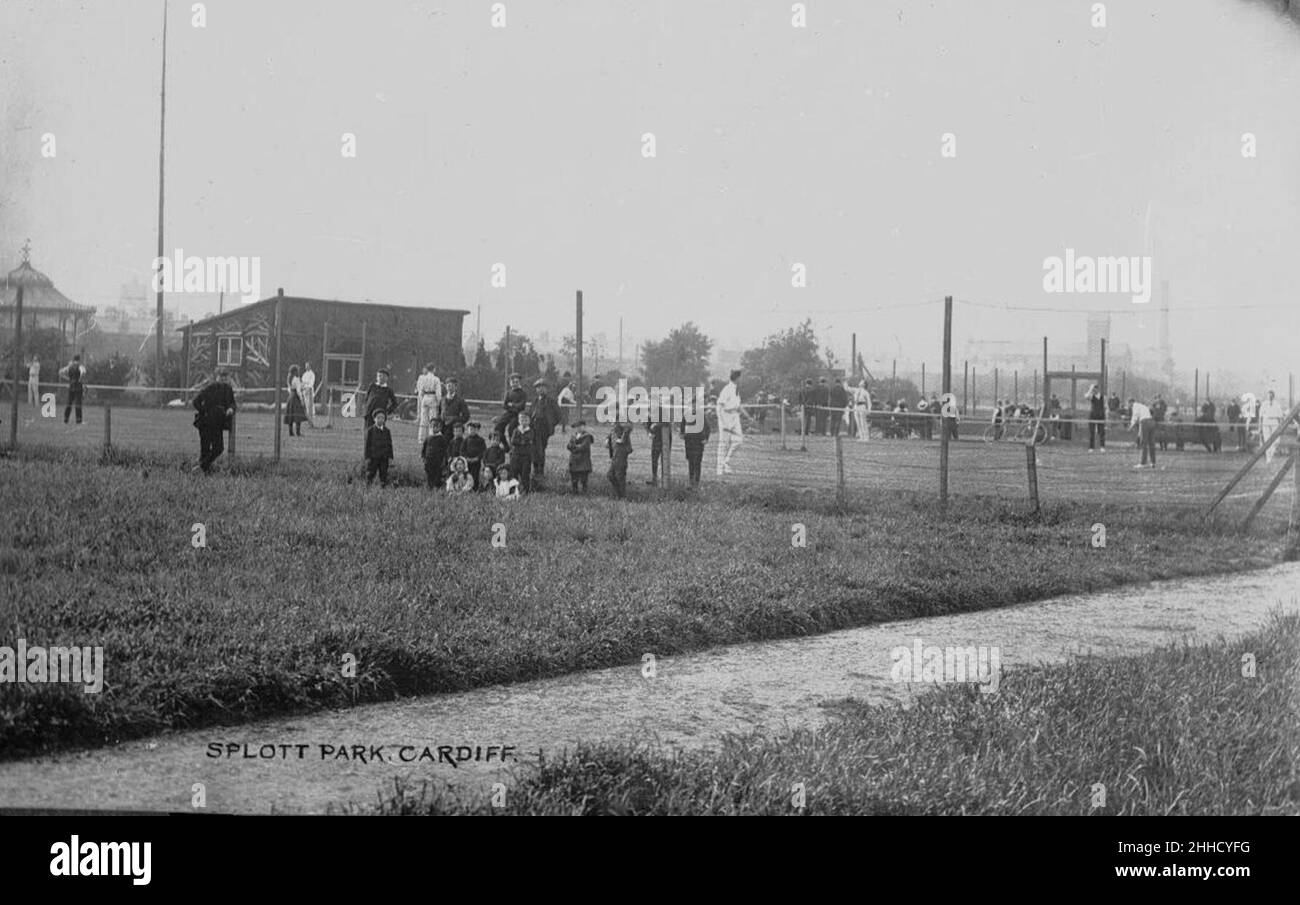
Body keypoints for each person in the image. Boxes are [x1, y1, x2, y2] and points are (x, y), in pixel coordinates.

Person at [192, 369, 236, 474]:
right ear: (217, 377)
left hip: (218, 423)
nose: (224, 379)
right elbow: (196, 401)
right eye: (221, 376)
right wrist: (205, 412)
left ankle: (201, 468)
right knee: (205, 449)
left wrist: (231, 409)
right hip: (206, 423)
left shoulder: (228, 389)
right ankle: (202, 472)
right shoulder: (210, 388)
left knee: (218, 448)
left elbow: (232, 403)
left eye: (226, 377)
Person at [528, 380, 561, 484]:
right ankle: (535, 470)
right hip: (534, 428)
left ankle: (540, 472)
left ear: (546, 389)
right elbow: (530, 413)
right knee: (534, 450)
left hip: (543, 429)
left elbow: (558, 415)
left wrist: (550, 425)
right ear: (536, 389)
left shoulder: (551, 401)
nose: (540, 389)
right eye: (538, 387)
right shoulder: (535, 401)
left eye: (543, 387)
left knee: (541, 450)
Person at [716, 369, 747, 475]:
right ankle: (720, 469)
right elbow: (720, 406)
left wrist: (748, 416)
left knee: (739, 440)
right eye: (741, 377)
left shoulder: (736, 390)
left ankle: (726, 461)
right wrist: (723, 421)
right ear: (737, 378)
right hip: (726, 417)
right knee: (723, 444)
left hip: (735, 417)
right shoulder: (727, 389)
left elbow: (738, 405)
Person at [495, 373, 529, 451]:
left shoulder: (523, 393)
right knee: (498, 427)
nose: (515, 384)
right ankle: (506, 446)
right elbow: (504, 405)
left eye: (516, 382)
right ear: (510, 383)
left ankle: (513, 446)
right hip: (509, 413)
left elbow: (521, 405)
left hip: (518, 415)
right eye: (513, 382)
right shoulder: (508, 392)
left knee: (511, 428)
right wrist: (513, 407)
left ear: (519, 382)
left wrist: (512, 404)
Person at [681, 404, 711, 488]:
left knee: (697, 462)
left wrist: (706, 438)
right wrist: (682, 433)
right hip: (689, 442)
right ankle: (691, 482)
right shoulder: (686, 414)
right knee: (690, 462)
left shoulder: (701, 416)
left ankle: (696, 483)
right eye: (692, 405)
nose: (693, 407)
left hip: (698, 442)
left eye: (695, 405)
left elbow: (707, 428)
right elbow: (682, 425)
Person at [414, 362, 443, 447]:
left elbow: (420, 391)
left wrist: (422, 399)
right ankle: (432, 436)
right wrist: (439, 401)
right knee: (433, 419)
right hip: (433, 397)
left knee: (423, 419)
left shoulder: (423, 378)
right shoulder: (436, 379)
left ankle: (421, 438)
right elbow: (438, 392)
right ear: (434, 369)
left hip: (425, 398)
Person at [364, 409, 394, 486]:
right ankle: (367, 488)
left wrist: (390, 457)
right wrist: (367, 457)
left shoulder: (387, 431)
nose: (380, 420)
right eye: (378, 418)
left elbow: (390, 444)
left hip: (384, 457)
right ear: (374, 419)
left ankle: (383, 488)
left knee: (384, 474)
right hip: (373, 457)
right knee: (370, 474)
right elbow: (367, 445)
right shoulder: (370, 431)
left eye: (382, 418)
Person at [508, 411, 535, 493]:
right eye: (522, 420)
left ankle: (526, 491)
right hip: (515, 455)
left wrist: (520, 441)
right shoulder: (516, 430)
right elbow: (513, 441)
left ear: (529, 421)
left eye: (526, 420)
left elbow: (528, 440)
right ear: (519, 421)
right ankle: (514, 490)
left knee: (525, 474)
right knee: (514, 473)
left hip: (526, 456)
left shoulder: (530, 431)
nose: (524, 422)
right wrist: (522, 442)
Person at [567, 420, 594, 492]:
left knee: (584, 479)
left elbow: (584, 447)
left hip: (583, 460)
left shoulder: (587, 436)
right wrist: (575, 446)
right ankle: (574, 492)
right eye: (576, 427)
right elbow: (569, 446)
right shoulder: (574, 435)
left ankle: (584, 492)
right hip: (574, 460)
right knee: (574, 478)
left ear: (583, 427)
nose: (578, 428)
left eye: (579, 426)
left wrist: (574, 447)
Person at [1128, 398, 1156, 468]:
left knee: (1144, 443)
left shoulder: (1135, 406)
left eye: (1128, 404)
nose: (1128, 405)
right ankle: (1153, 462)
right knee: (1151, 443)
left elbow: (1135, 416)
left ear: (1131, 402)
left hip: (1145, 422)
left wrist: (1131, 426)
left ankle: (1143, 463)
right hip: (1151, 422)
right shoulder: (1143, 406)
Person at [606, 422, 632, 498]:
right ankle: (618, 493)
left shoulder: (622, 429)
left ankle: (622, 496)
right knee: (610, 475)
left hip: (621, 457)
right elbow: (611, 435)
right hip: (614, 457)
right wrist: (607, 439)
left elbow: (629, 428)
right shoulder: (613, 430)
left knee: (619, 477)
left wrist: (622, 440)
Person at [1259, 390, 1286, 463]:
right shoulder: (1264, 404)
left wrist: (1281, 427)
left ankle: (1271, 454)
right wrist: (1260, 427)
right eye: (1268, 395)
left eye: (1271, 395)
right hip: (1266, 422)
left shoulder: (1277, 404)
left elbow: (1280, 417)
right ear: (1267, 396)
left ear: (1273, 396)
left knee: (1276, 441)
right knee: (1267, 441)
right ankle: (1268, 458)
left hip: (1274, 422)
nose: (1270, 397)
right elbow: (1260, 416)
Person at [421, 418, 448, 490]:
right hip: (429, 459)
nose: (434, 428)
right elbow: (424, 448)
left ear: (440, 428)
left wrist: (444, 460)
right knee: (429, 473)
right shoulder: (428, 438)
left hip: (438, 460)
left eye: (436, 426)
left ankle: (436, 487)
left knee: (437, 473)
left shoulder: (442, 438)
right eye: (432, 426)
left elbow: (445, 450)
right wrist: (423, 457)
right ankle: (429, 486)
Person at [58, 354, 84, 426]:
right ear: (79, 360)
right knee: (78, 403)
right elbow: (82, 373)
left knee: (69, 403)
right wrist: (79, 379)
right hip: (78, 387)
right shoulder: (80, 366)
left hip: (71, 386)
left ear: (73, 360)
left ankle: (66, 420)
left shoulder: (69, 367)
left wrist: (68, 379)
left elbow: (60, 372)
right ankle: (79, 420)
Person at [462, 421, 487, 489]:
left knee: (475, 474)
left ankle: (475, 488)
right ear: (468, 430)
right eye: (470, 429)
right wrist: (466, 458)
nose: (472, 431)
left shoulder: (481, 440)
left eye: (474, 429)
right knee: (467, 474)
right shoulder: (466, 440)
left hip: (476, 461)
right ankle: (467, 487)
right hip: (467, 461)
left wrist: (478, 458)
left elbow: (483, 451)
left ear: (477, 430)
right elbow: (462, 450)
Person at [284, 365, 307, 437]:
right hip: (295, 397)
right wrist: (302, 400)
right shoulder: (296, 379)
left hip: (290, 396)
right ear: (295, 371)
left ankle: (291, 432)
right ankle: (298, 432)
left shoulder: (289, 378)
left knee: (290, 415)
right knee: (298, 416)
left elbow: (289, 389)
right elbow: (298, 390)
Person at [645, 416, 667, 485]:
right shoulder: (650, 413)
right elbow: (648, 426)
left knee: (665, 460)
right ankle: (654, 479)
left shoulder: (664, 411)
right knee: (654, 459)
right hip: (656, 439)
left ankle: (665, 480)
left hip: (665, 439)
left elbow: (667, 423)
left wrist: (656, 424)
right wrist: (649, 432)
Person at [1085, 383, 1106, 452]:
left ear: (1097, 389)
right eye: (1093, 390)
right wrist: (1090, 389)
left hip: (1101, 416)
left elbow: (1105, 406)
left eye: (1094, 389)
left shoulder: (1103, 396)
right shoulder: (1091, 396)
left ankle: (1102, 447)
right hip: (1093, 415)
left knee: (1102, 432)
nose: (1093, 391)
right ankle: (1091, 447)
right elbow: (1086, 396)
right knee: (1092, 432)